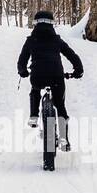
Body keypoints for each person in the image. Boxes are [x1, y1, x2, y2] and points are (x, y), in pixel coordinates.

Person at [17, 9, 83, 150]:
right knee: (60, 104)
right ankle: (64, 138)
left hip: (37, 76)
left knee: (35, 90)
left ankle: (34, 115)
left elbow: (22, 60)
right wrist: (78, 70)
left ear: (35, 24)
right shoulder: (57, 40)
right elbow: (72, 55)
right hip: (56, 77)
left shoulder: (31, 41)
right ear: (52, 24)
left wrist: (22, 72)